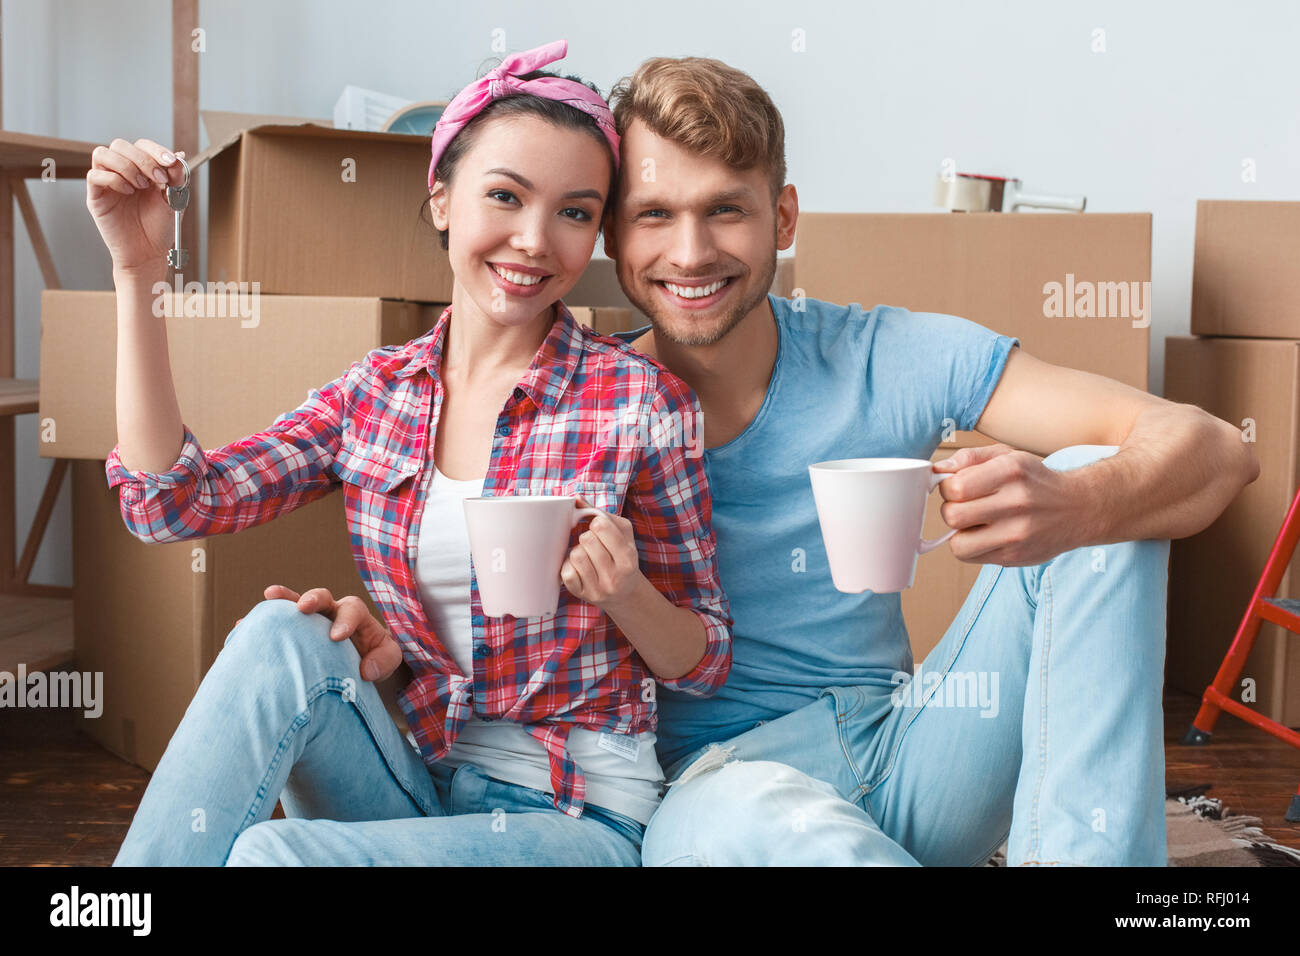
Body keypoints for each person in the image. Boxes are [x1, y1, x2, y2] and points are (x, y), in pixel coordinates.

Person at [591, 55, 1260, 866]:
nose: (691, 253)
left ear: (784, 217)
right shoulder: (580, 405)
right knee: (740, 806)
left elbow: (1218, 448)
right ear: (613, 232)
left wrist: (1078, 504)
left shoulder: (883, 353)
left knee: (1102, 478)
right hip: (717, 794)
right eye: (655, 214)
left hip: (910, 753)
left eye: (726, 209)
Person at [90, 40, 731, 866]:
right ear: (441, 201)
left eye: (574, 212)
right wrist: (139, 272)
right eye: (505, 196)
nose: (535, 240)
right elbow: (172, 505)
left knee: (272, 856)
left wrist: (627, 591)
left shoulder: (640, 402)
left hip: (578, 819)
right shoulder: (376, 395)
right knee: (277, 636)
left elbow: (704, 660)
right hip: (420, 781)